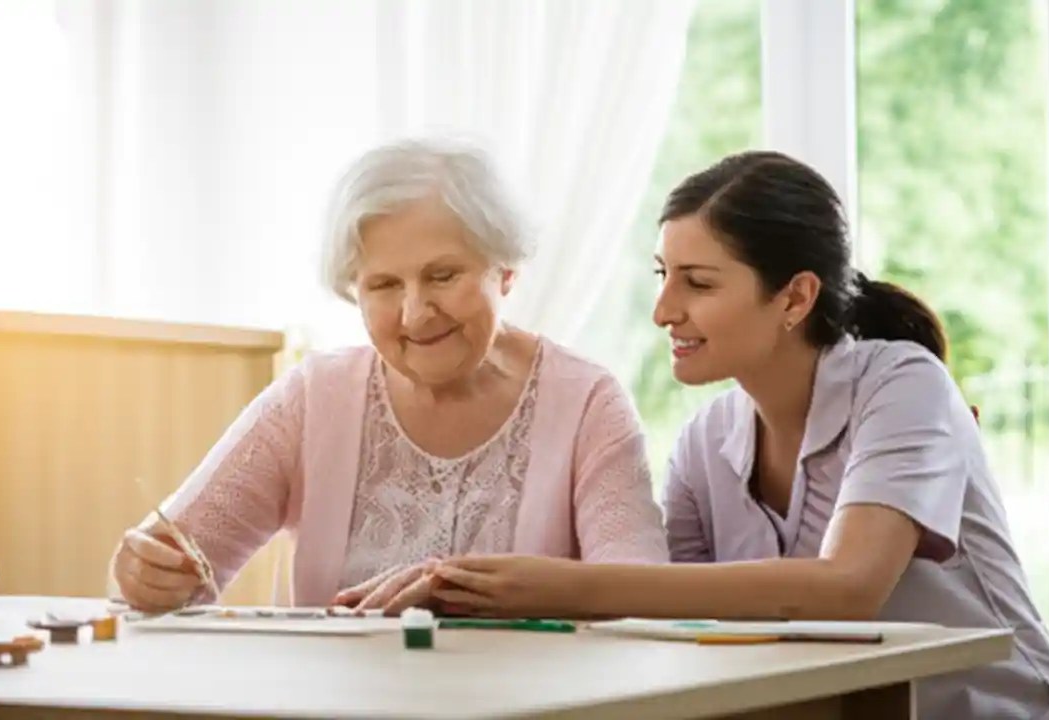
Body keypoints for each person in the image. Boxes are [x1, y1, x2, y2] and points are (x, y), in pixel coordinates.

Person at [425, 151, 1049, 719]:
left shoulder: (903, 384)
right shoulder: (703, 444)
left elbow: (848, 588)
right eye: (663, 275)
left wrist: (570, 585)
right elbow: (674, 629)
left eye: (698, 283)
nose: (663, 311)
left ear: (795, 298)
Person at [109, 139, 668, 614]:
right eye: (383, 286)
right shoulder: (313, 398)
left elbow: (645, 596)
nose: (415, 312)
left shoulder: (588, 403)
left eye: (442, 275)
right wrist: (144, 577)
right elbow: (175, 563)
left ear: (505, 270)